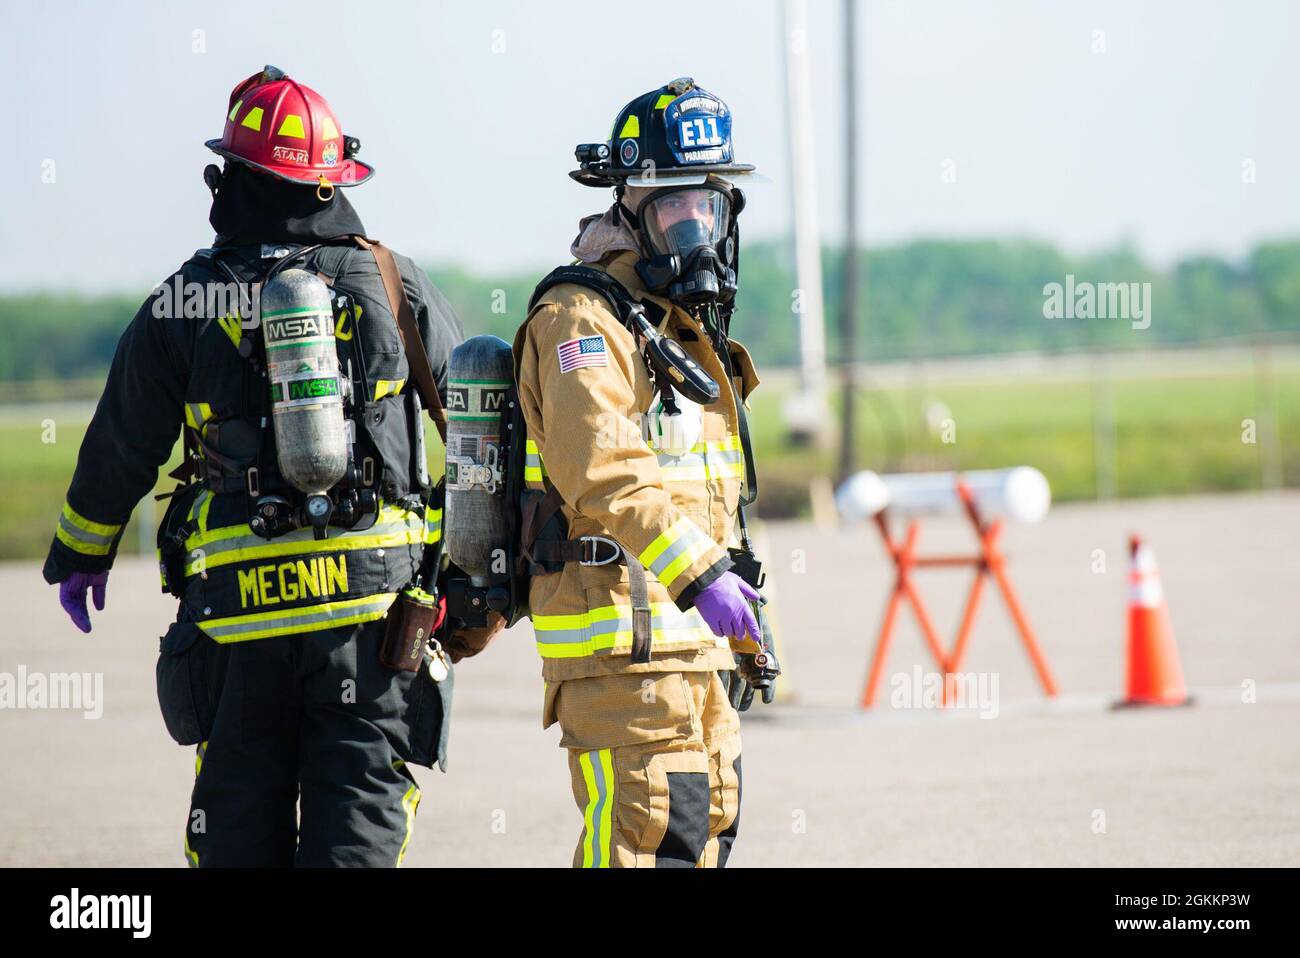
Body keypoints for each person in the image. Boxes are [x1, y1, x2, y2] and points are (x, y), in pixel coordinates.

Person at [42, 66, 463, 867]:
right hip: (372, 634)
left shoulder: (186, 299)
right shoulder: (390, 281)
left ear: (229, 178)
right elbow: (482, 417)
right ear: (330, 183)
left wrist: (79, 552)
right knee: (358, 834)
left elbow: (121, 443)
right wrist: (487, 571)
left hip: (238, 630)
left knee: (235, 833)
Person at [512, 77, 773, 868]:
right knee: (647, 841)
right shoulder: (581, 320)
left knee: (706, 834)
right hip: (621, 649)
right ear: (628, 211)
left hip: (696, 648)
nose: (694, 229)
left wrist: (744, 616)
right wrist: (705, 579)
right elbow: (604, 473)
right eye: (672, 210)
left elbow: (713, 498)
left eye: (708, 209)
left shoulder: (679, 330)